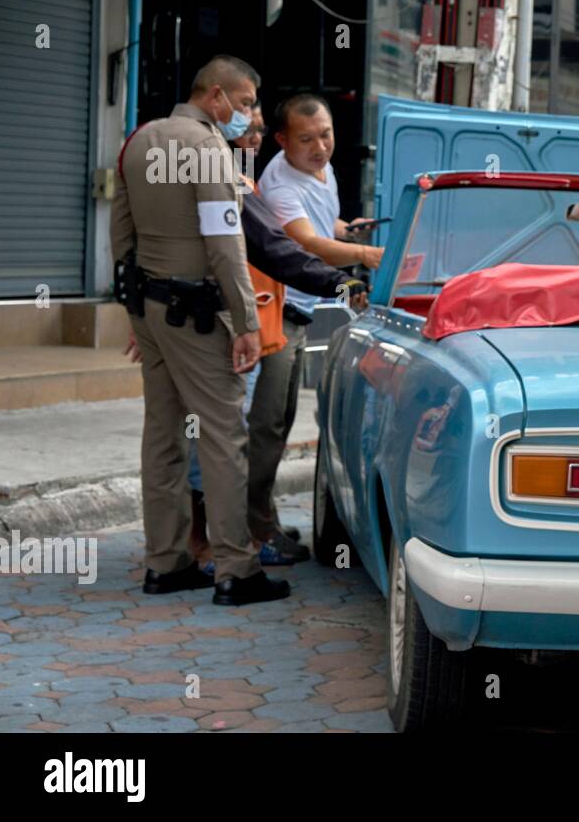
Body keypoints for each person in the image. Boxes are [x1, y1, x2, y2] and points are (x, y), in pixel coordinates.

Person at [112, 54, 289, 606]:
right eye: (245, 103)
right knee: (221, 435)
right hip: (197, 312)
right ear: (215, 97)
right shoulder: (209, 148)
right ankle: (236, 569)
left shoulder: (138, 140)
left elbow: (122, 236)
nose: (249, 114)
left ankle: (165, 563)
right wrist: (245, 323)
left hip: (151, 307)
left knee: (162, 435)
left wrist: (135, 315)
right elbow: (224, 244)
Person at [174, 105, 368, 568]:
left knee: (259, 428)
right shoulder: (241, 182)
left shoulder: (246, 179)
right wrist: (355, 269)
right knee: (244, 432)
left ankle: (240, 531)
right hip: (246, 323)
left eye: (258, 127)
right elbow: (288, 249)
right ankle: (230, 539)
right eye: (249, 126)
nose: (254, 136)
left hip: (269, 318)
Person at [252, 94, 383, 563]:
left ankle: (260, 518)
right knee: (265, 426)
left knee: (279, 424)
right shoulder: (280, 183)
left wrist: (346, 230)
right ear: (283, 140)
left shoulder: (321, 171)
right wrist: (367, 257)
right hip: (277, 317)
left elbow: (323, 227)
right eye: (306, 139)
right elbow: (306, 242)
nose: (320, 147)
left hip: (301, 316)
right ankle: (256, 535)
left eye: (325, 134)